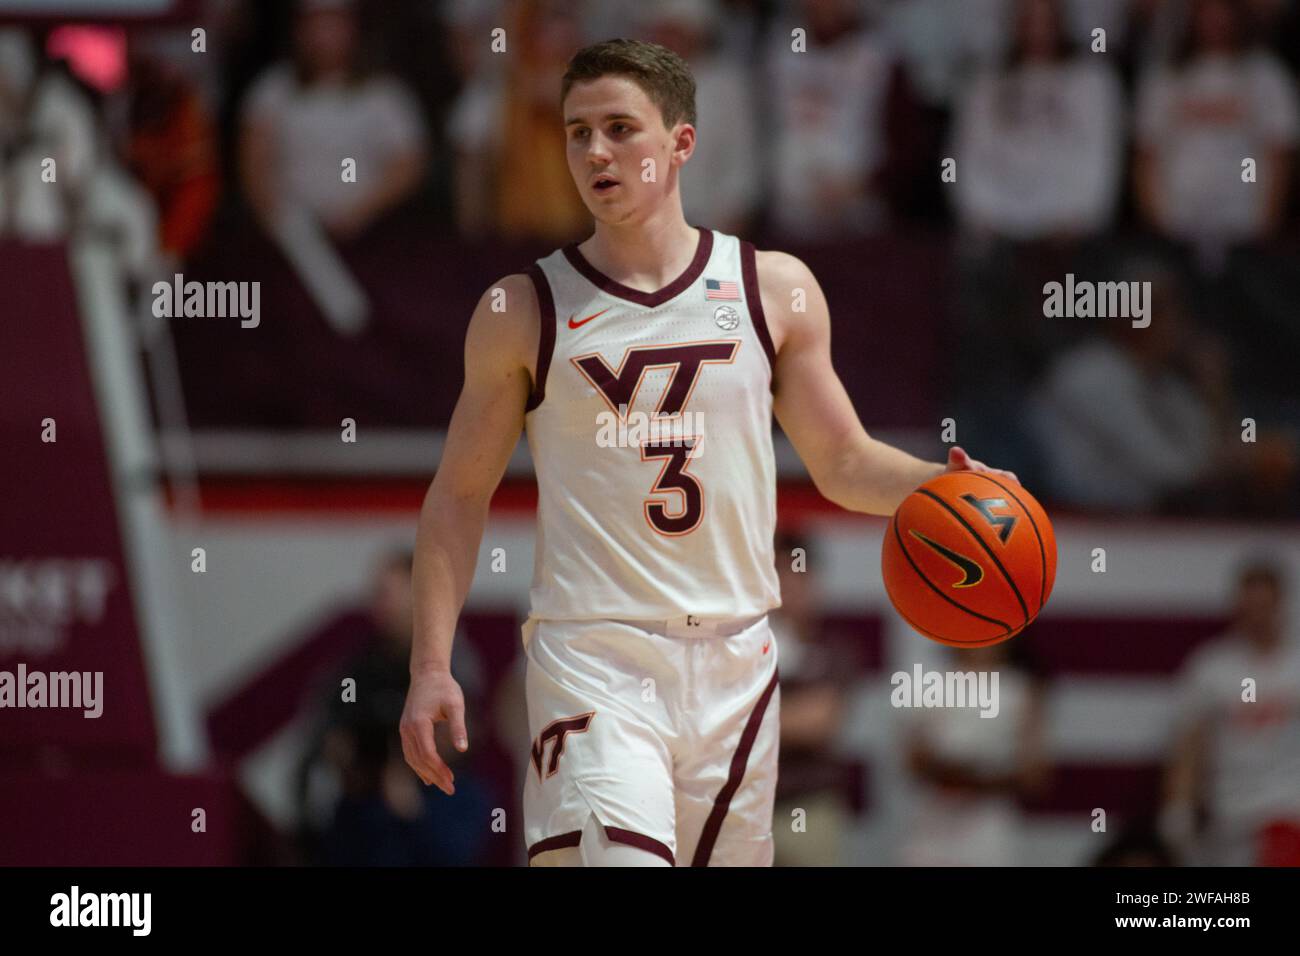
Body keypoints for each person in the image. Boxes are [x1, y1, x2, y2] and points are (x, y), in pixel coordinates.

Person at [400, 38, 1017, 867]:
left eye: (621, 128)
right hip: (595, 658)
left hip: (737, 663)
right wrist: (431, 663)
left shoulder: (775, 289)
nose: (595, 152)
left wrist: (941, 486)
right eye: (577, 132)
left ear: (682, 143)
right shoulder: (522, 308)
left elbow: (841, 461)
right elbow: (457, 496)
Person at [1162, 559, 1300, 866]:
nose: (1257, 615)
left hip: (1289, 811)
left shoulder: (1296, 664)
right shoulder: (1211, 667)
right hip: (1230, 815)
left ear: (1280, 603)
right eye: (1250, 605)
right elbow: (1188, 743)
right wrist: (1178, 806)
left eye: (1264, 604)